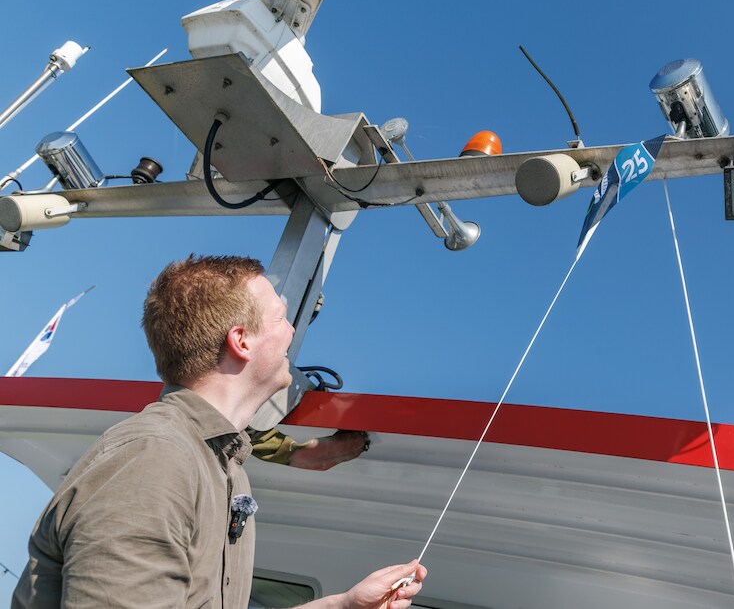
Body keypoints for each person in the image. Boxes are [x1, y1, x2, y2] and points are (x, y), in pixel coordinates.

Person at [12, 256, 426, 608]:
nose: (290, 332)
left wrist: (343, 604)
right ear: (241, 340)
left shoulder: (219, 464)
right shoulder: (155, 458)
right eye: (281, 318)